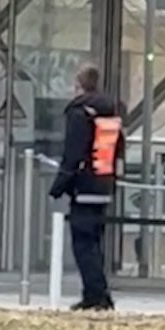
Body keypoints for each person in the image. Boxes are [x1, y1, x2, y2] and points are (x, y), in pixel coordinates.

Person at [49, 64, 124, 310]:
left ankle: (95, 296)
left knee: (83, 245)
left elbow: (73, 153)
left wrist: (58, 187)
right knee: (94, 243)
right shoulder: (110, 113)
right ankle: (99, 293)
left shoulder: (79, 113)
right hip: (104, 184)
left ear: (78, 85)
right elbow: (118, 148)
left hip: (84, 186)